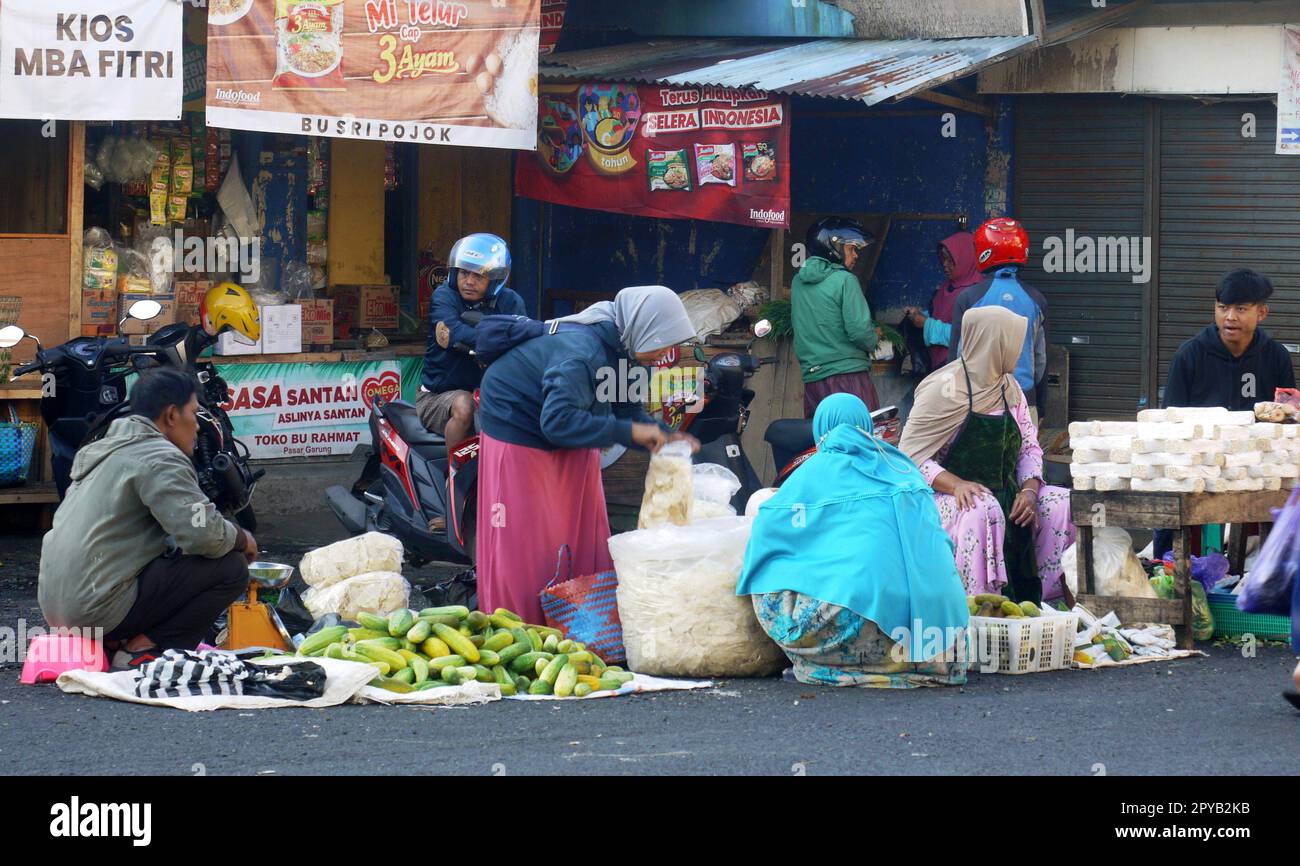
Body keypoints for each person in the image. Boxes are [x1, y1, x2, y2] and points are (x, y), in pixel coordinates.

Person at [475, 286, 700, 623]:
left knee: (582, 528)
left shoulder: (629, 349)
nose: (667, 353)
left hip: (568, 421)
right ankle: (519, 623)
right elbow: (558, 423)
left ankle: (584, 624)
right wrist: (630, 433)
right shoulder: (581, 352)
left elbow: (626, 410)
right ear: (644, 329)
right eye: (663, 342)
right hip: (517, 423)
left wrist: (664, 438)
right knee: (529, 539)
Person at [737, 394, 970, 688]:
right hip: (941, 635)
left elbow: (770, 527)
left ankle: (846, 661)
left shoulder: (815, 470)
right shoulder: (905, 470)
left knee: (766, 576)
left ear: (821, 430)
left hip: (856, 625)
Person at [38, 369, 258, 670]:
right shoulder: (159, 456)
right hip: (96, 611)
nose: (197, 426)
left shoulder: (102, 449)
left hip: (57, 610)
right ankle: (145, 648)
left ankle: (118, 639)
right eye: (194, 414)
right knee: (231, 568)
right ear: (171, 415)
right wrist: (242, 537)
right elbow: (204, 535)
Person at [899, 307, 1075, 604]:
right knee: (982, 507)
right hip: (948, 499)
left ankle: (1042, 605)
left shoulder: (1010, 387)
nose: (1018, 351)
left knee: (1060, 503)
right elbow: (908, 458)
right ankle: (979, 608)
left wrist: (1030, 492)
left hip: (1006, 492)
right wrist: (955, 484)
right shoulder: (943, 389)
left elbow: (1029, 447)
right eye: (1013, 341)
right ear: (994, 342)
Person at [1154, 268, 1296, 560]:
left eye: (1241, 309)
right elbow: (1168, 427)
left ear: (1262, 313)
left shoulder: (1276, 357)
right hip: (1197, 472)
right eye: (1223, 308)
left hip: (1255, 473)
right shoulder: (1190, 355)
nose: (1230, 317)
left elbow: (1287, 422)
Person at [418, 233, 526, 447]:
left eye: (479, 276)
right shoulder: (444, 296)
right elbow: (452, 332)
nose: (468, 281)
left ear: (495, 280)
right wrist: (501, 339)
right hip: (439, 395)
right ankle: (455, 476)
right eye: (464, 273)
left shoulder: (511, 302)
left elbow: (526, 334)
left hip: (492, 393)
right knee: (465, 406)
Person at [949, 218, 1049, 427]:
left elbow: (956, 359)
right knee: (1027, 459)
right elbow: (1040, 361)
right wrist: (1040, 405)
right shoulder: (1036, 300)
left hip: (977, 403)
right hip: (1024, 401)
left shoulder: (968, 298)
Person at [791, 216, 882, 418]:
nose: (856, 255)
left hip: (814, 381)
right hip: (848, 377)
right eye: (851, 249)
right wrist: (873, 337)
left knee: (823, 441)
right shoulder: (845, 280)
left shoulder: (798, 282)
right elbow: (859, 331)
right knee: (860, 441)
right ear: (833, 248)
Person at [903, 231, 981, 372]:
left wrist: (926, 324)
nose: (945, 264)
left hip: (959, 368)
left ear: (965, 259)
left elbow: (966, 337)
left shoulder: (976, 294)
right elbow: (939, 313)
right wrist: (920, 315)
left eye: (950, 260)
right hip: (939, 366)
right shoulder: (946, 287)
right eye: (943, 259)